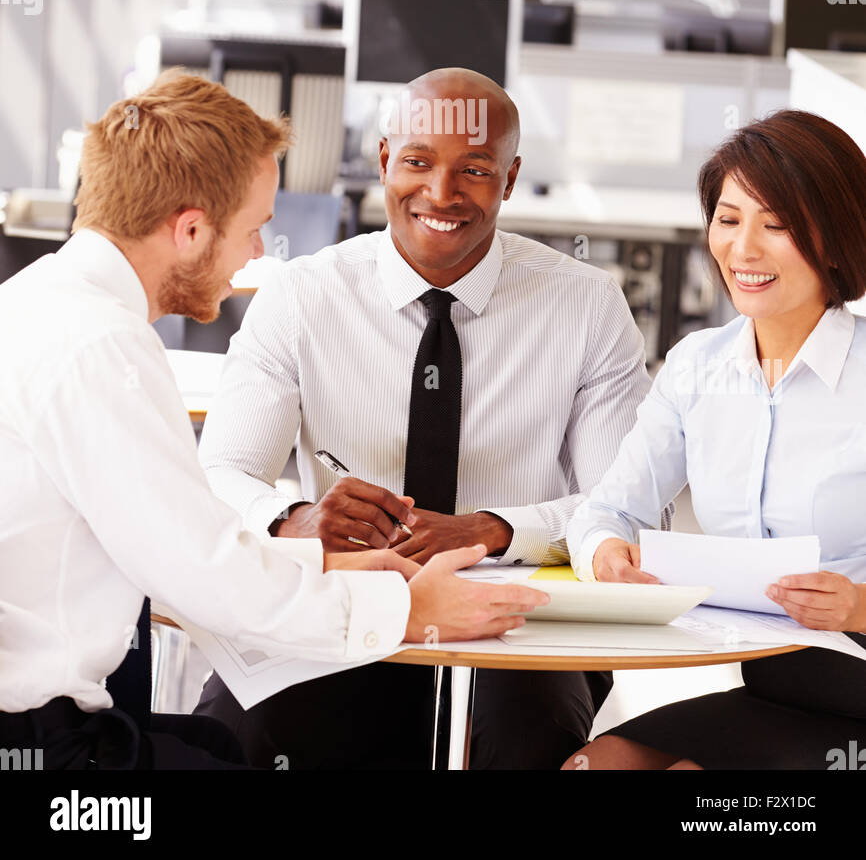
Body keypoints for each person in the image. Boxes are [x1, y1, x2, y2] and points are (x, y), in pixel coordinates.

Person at [0, 71, 547, 771]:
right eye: (253, 229)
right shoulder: (102, 348)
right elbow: (202, 573)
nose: (259, 254)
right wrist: (405, 611)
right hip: (38, 748)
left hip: (45, 727)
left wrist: (326, 563)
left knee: (218, 744)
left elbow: (173, 544)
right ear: (191, 230)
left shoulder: (39, 301)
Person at [196, 65, 655, 769]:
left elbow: (621, 507)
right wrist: (295, 520)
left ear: (508, 178)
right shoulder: (302, 297)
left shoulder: (587, 307)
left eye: (473, 170)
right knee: (238, 736)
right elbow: (222, 471)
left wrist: (498, 529)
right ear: (385, 160)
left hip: (518, 610)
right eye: (417, 162)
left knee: (525, 747)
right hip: (347, 595)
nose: (440, 194)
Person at [563, 108, 866, 772]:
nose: (744, 250)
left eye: (776, 225)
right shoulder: (697, 365)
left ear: (838, 239)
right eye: (728, 220)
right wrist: (605, 553)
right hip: (776, 693)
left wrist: (861, 603)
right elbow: (606, 508)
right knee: (594, 767)